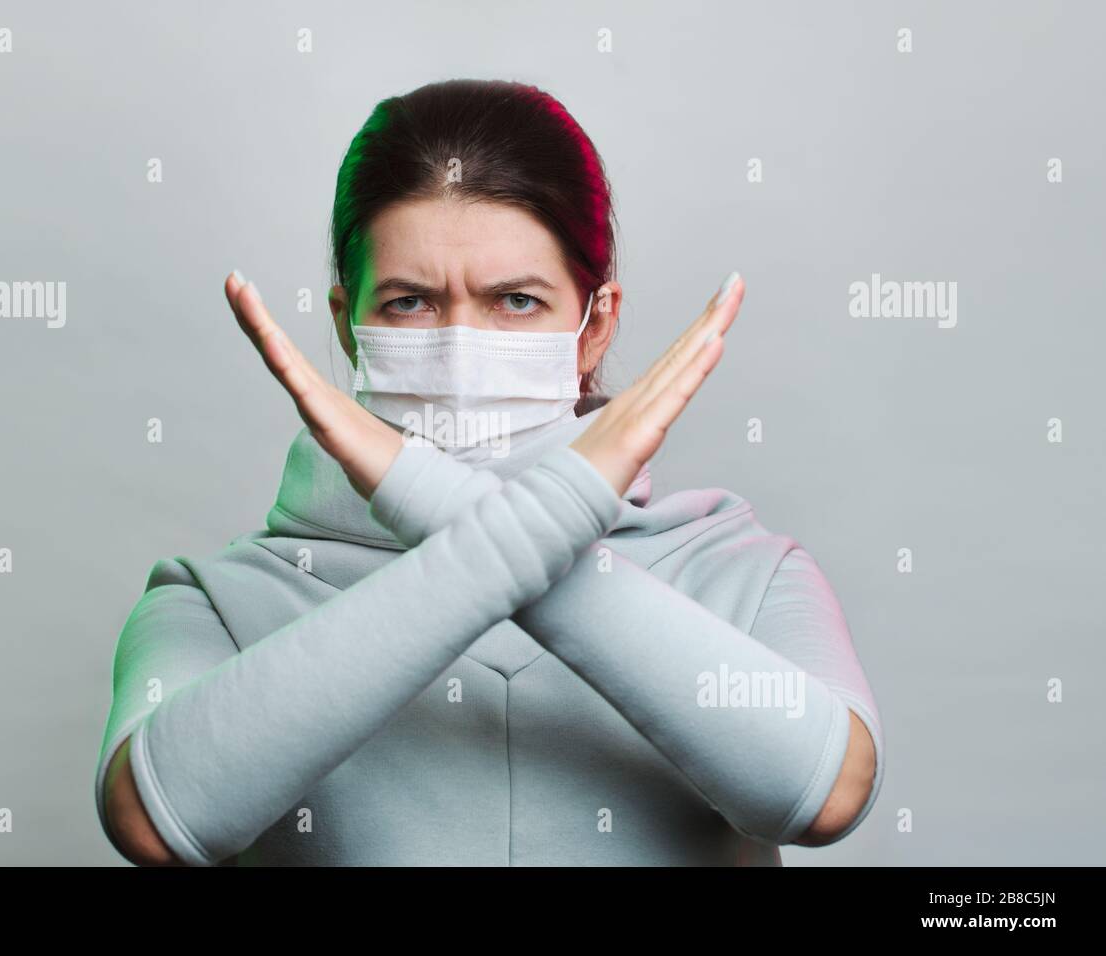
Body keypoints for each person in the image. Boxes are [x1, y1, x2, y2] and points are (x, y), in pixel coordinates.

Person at [94, 78, 883, 866]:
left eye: (514, 301)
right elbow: (154, 818)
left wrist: (434, 502)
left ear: (593, 326)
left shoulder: (744, 570)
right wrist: (534, 522)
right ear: (347, 322)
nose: (461, 343)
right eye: (410, 302)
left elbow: (824, 792)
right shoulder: (213, 599)